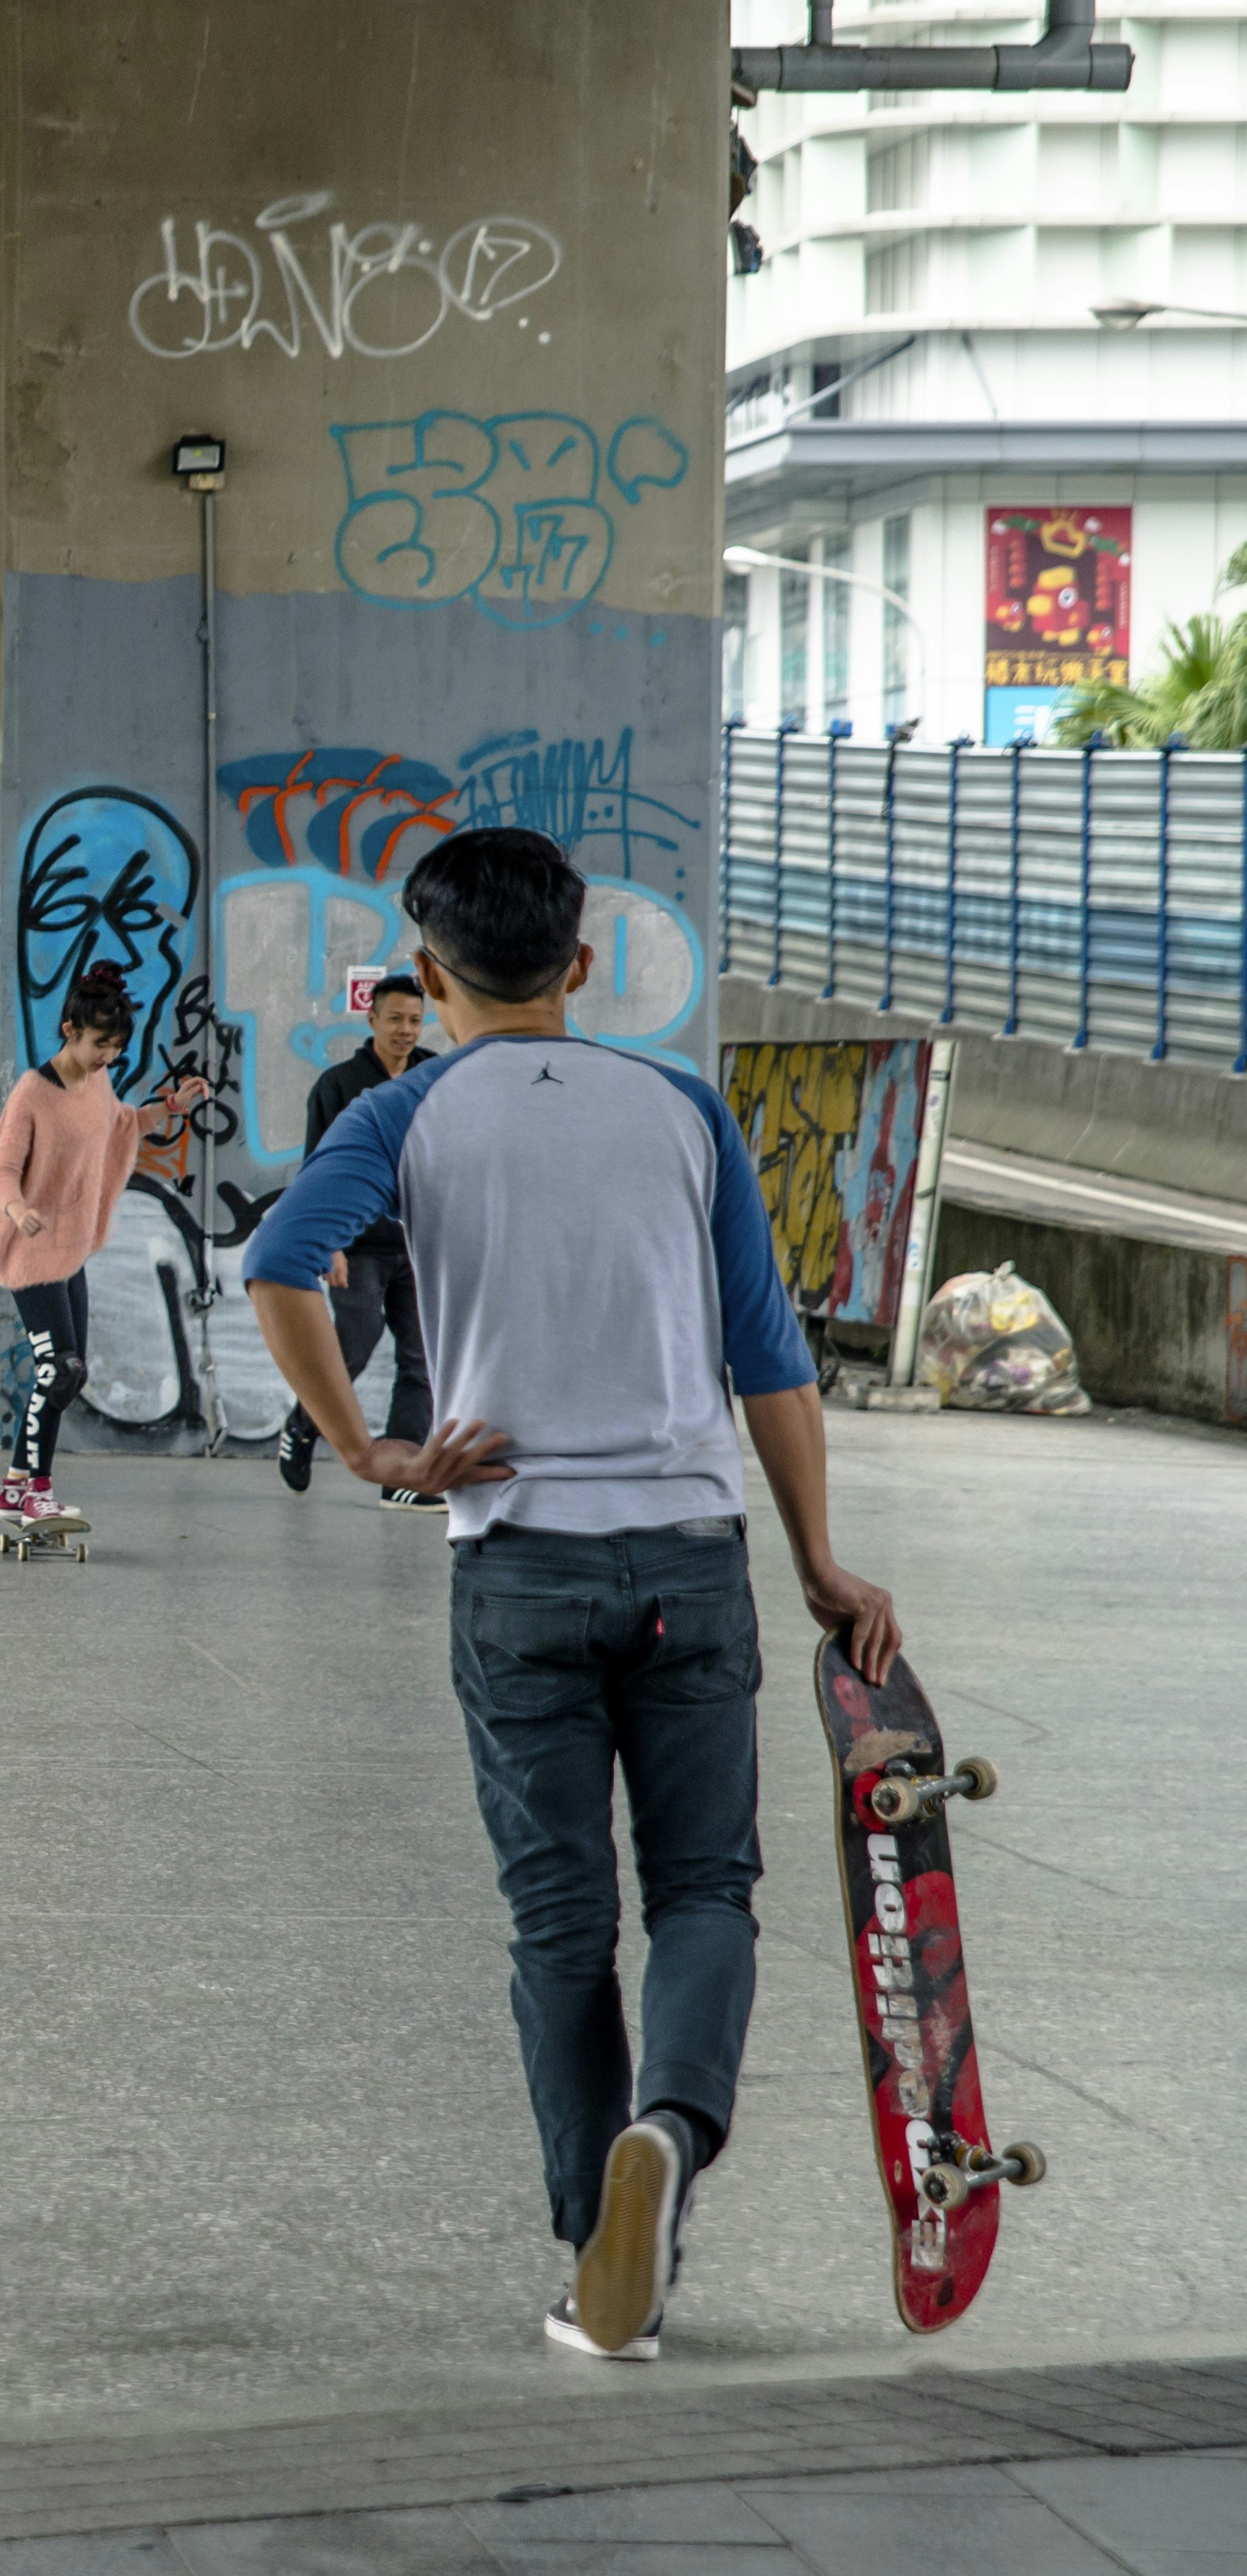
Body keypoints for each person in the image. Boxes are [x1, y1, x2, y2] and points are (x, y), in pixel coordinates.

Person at [247, 826, 900, 2363]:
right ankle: (667, 2132)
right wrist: (815, 1557)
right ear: (582, 965)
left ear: (427, 976)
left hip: (517, 1559)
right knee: (702, 1892)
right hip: (687, 1554)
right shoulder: (680, 1109)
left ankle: (595, 2246)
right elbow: (768, 1357)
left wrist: (368, 1448)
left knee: (558, 1917)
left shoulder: (404, 1109)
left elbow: (281, 1264)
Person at [0, 962, 210, 1527]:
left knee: (70, 1372)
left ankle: (15, 1487)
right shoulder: (32, 1093)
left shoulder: (98, 1084)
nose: (106, 1057)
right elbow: (4, 1170)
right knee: (58, 1370)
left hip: (69, 1252)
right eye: (98, 1045)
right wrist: (18, 1209)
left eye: (115, 1048)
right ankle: (37, 1492)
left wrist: (173, 1106)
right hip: (29, 1252)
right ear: (70, 1030)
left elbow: (122, 1126)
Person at [275, 973, 439, 1507]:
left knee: (422, 1360)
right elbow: (316, 1171)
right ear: (372, 1020)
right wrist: (330, 1245)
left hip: (418, 1245)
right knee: (354, 1345)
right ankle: (304, 1425)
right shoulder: (339, 1085)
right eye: (395, 1019)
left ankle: (404, 1474)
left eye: (415, 1020)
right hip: (358, 1245)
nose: (406, 1030)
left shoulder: (435, 1077)